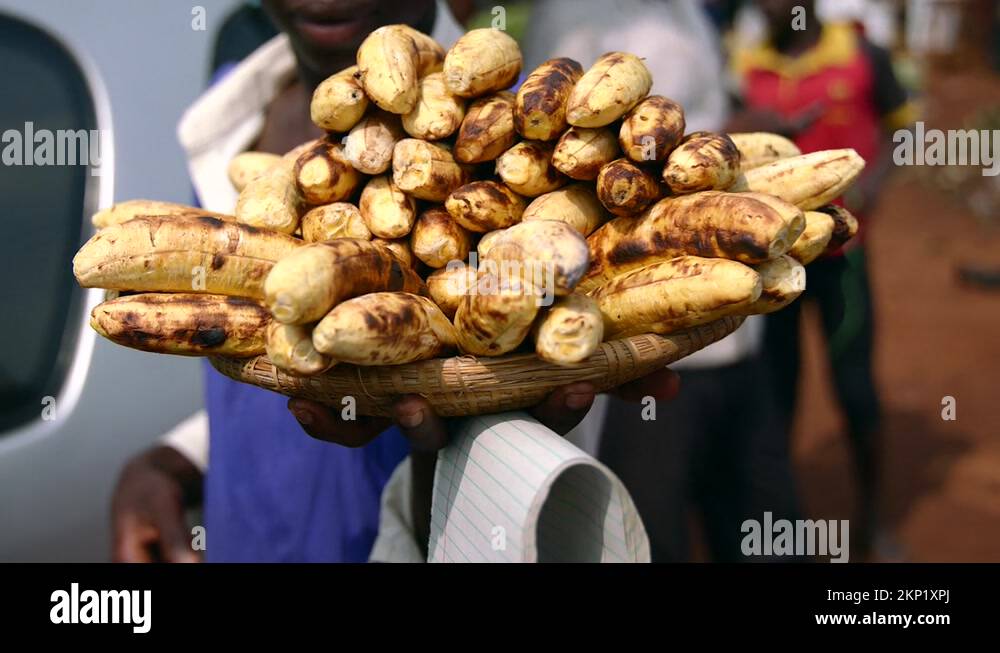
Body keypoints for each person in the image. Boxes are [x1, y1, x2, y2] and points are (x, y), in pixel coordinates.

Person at [110, 0, 678, 563]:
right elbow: (257, 380)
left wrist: (458, 438)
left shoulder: (543, 132)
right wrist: (175, 460)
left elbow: (542, 476)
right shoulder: (226, 115)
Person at [516, 0, 800, 563]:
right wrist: (731, 139)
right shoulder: (574, 17)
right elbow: (567, 166)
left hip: (734, 326)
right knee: (651, 533)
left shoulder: (689, 10)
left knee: (768, 526)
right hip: (653, 349)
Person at [729, 0, 917, 558]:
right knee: (776, 395)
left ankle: (873, 522)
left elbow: (904, 128)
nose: (766, 6)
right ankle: (784, 527)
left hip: (843, 258)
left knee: (854, 389)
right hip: (772, 262)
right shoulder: (745, 65)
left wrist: (873, 185)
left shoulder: (863, 54)